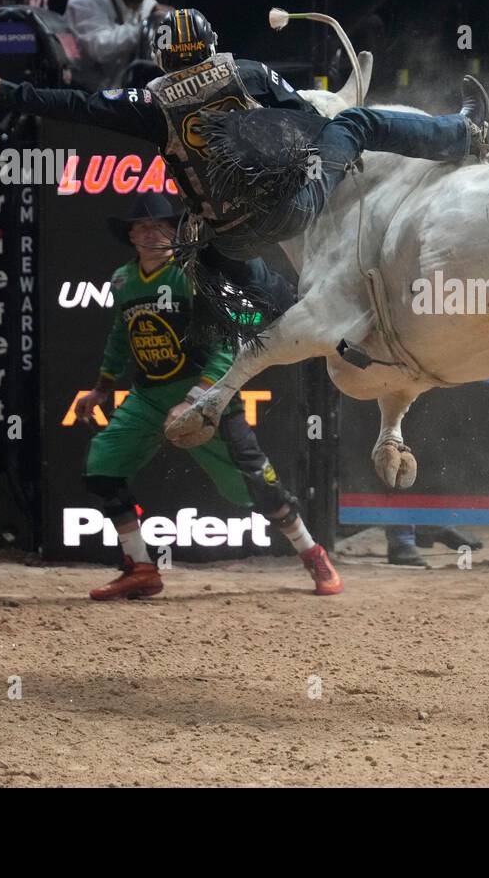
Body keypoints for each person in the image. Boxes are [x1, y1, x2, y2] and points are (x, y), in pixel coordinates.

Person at [0, 7, 489, 339]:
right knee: (353, 122)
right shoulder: (250, 73)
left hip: (230, 237)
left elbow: (79, 105)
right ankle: (463, 135)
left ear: (163, 58)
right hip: (293, 208)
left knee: (208, 252)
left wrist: (8, 91)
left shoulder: (148, 102)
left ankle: (283, 320)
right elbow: (308, 125)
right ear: (210, 47)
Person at [76, 192, 343, 600]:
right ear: (131, 235)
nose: (152, 233)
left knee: (258, 486)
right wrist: (102, 387)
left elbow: (225, 342)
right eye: (143, 226)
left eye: (161, 226)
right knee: (101, 468)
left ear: (176, 233)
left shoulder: (192, 275)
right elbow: (120, 337)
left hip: (207, 396)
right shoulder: (123, 280)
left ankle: (312, 553)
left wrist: (200, 399)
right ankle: (141, 567)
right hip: (148, 397)